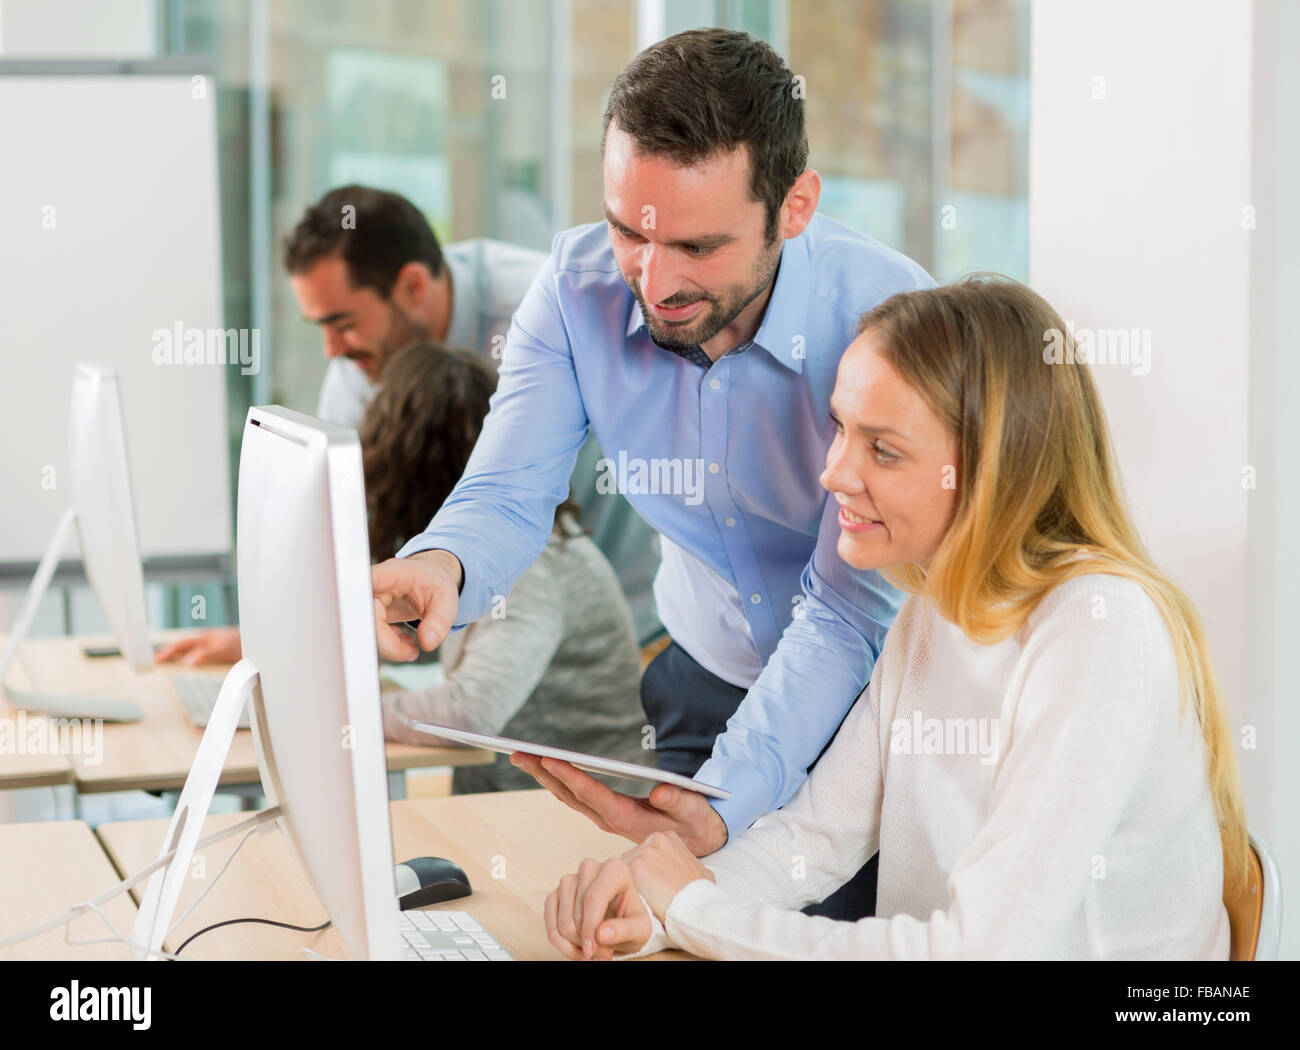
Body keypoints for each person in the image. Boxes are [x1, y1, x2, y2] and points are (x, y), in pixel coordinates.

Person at [369, 28, 934, 922]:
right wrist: (442, 566)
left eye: (698, 248)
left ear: (795, 206)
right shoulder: (575, 289)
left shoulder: (887, 321)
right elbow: (511, 490)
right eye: (630, 230)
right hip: (701, 684)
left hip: (865, 710)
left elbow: (843, 613)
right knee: (668, 937)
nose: (655, 281)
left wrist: (727, 798)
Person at [540, 276, 1249, 960]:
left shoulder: (1099, 630)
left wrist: (697, 909)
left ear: (994, 468)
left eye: (884, 449)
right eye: (840, 429)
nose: (835, 474)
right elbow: (811, 841)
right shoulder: (933, 613)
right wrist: (656, 909)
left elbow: (982, 952)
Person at [156, 184, 661, 667]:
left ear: (413, 286)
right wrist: (275, 635)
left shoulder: (546, 309)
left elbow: (534, 494)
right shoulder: (363, 362)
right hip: (488, 617)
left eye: (343, 323)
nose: (333, 350)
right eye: (322, 328)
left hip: (630, 613)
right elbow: (343, 519)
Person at [364, 342, 646, 794]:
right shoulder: (484, 558)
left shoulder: (530, 567)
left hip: (570, 821)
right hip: (518, 804)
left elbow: (472, 711)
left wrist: (338, 713)